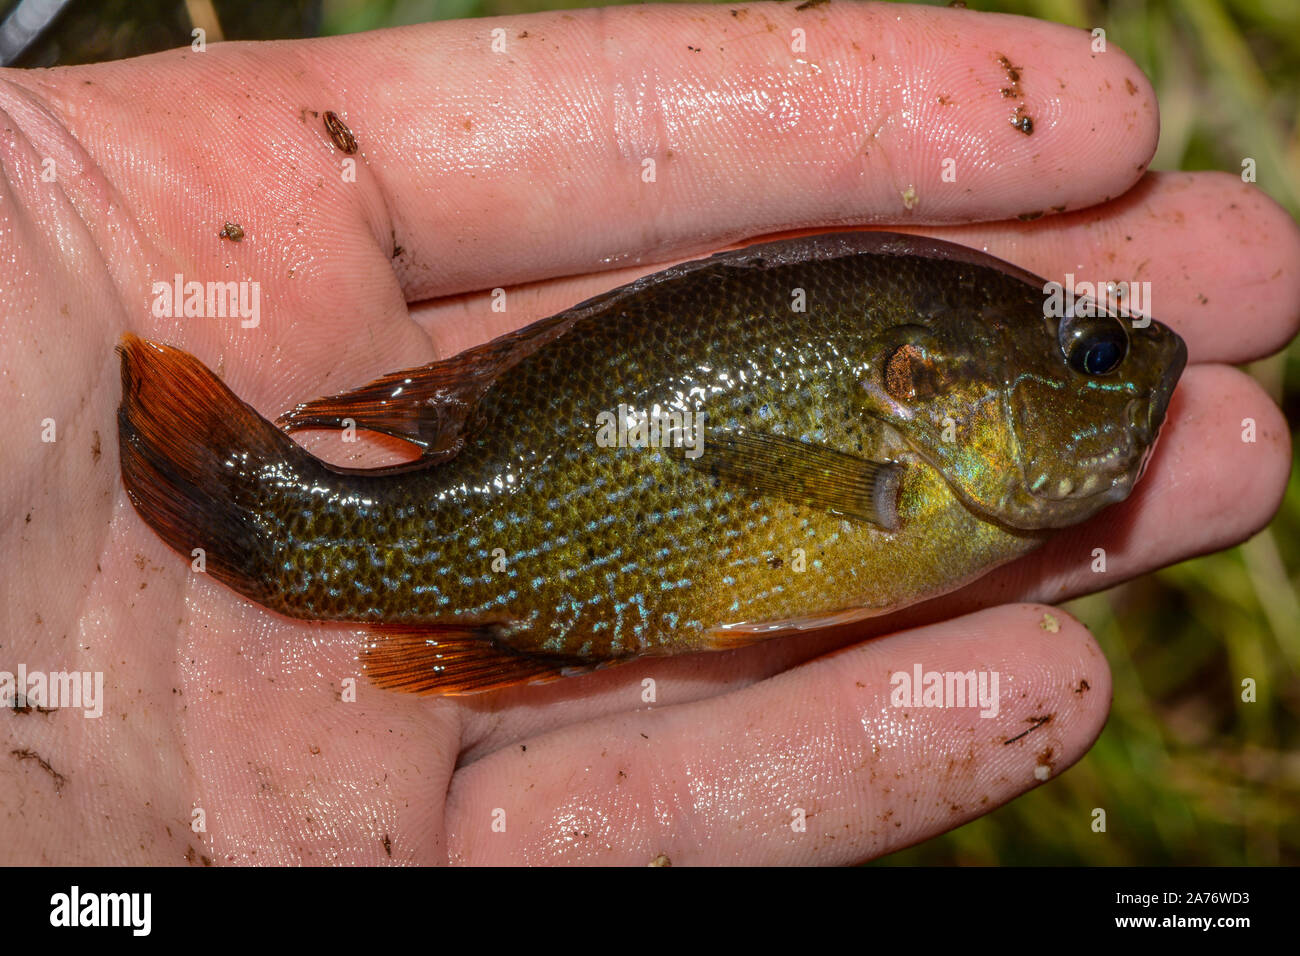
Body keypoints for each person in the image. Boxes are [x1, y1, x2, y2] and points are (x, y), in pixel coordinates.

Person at [0, 2, 1295, 865]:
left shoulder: (934, 466)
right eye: (1090, 355)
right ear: (929, 382)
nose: (1134, 363)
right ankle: (284, 521)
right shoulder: (908, 456)